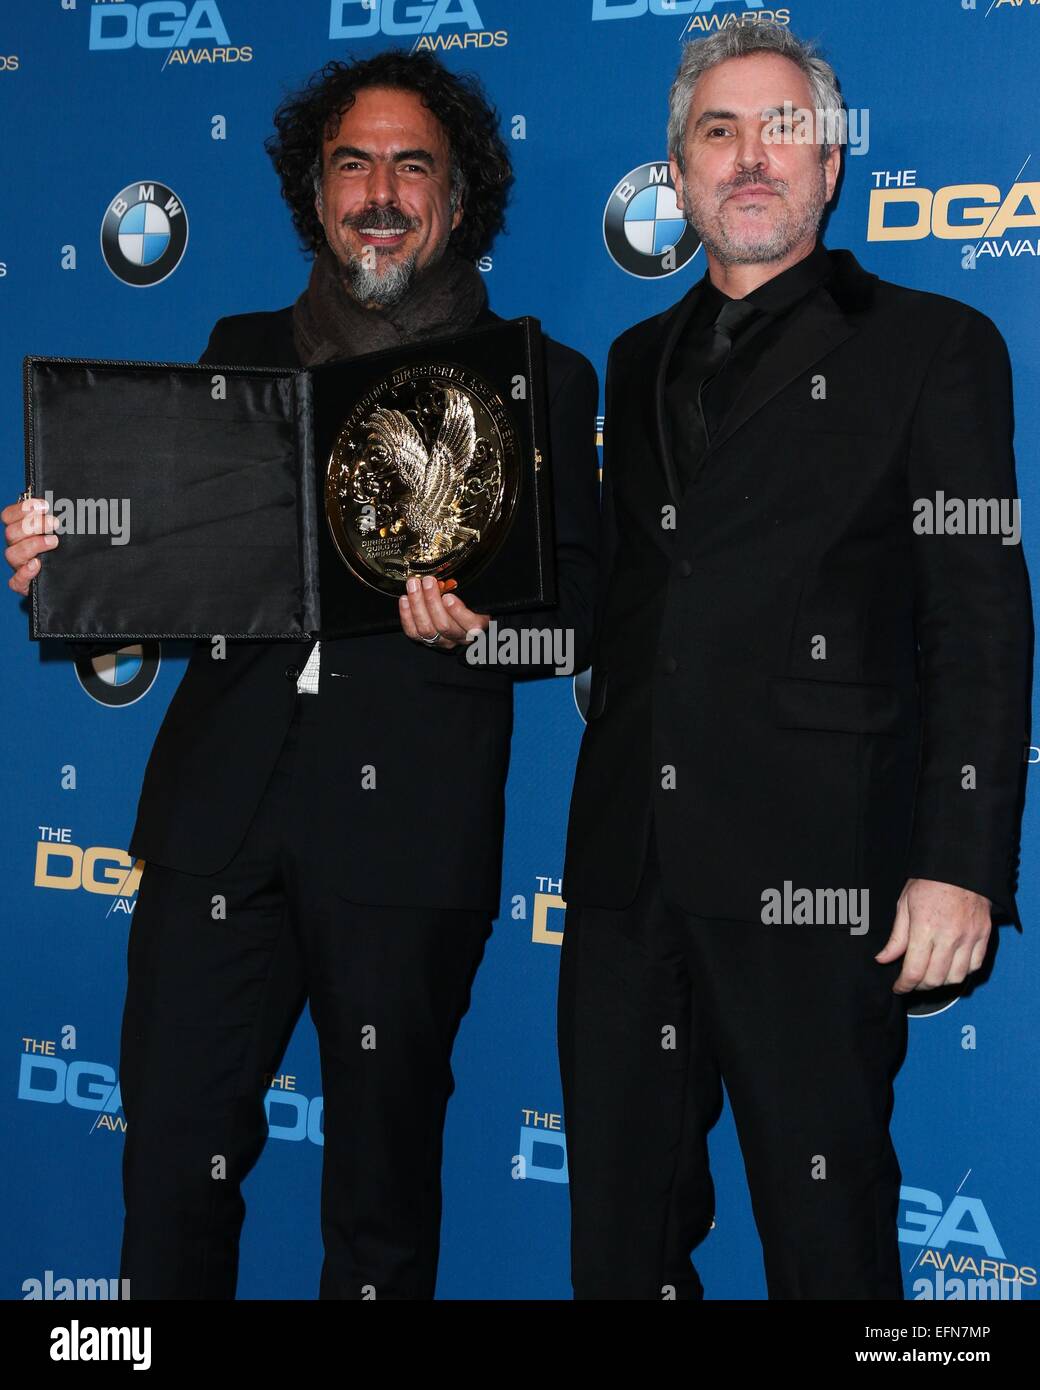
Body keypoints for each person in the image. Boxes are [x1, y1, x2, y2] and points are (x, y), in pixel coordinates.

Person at [5, 50, 599, 1300]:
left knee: (379, 1196)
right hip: (217, 820)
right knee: (172, 1160)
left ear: (457, 195)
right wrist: (65, 557)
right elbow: (179, 564)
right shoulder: (241, 348)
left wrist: (485, 633)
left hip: (404, 845)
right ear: (315, 190)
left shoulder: (540, 381)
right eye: (351, 164)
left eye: (410, 165)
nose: (378, 192)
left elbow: (586, 621)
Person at [559, 23, 1031, 1301]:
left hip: (818, 878)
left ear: (832, 166)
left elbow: (979, 616)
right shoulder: (634, 359)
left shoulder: (936, 345)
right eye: (718, 132)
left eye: (781, 129)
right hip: (625, 874)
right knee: (615, 1241)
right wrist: (479, 616)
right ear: (678, 170)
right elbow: (624, 603)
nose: (749, 156)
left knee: (826, 1248)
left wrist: (958, 866)